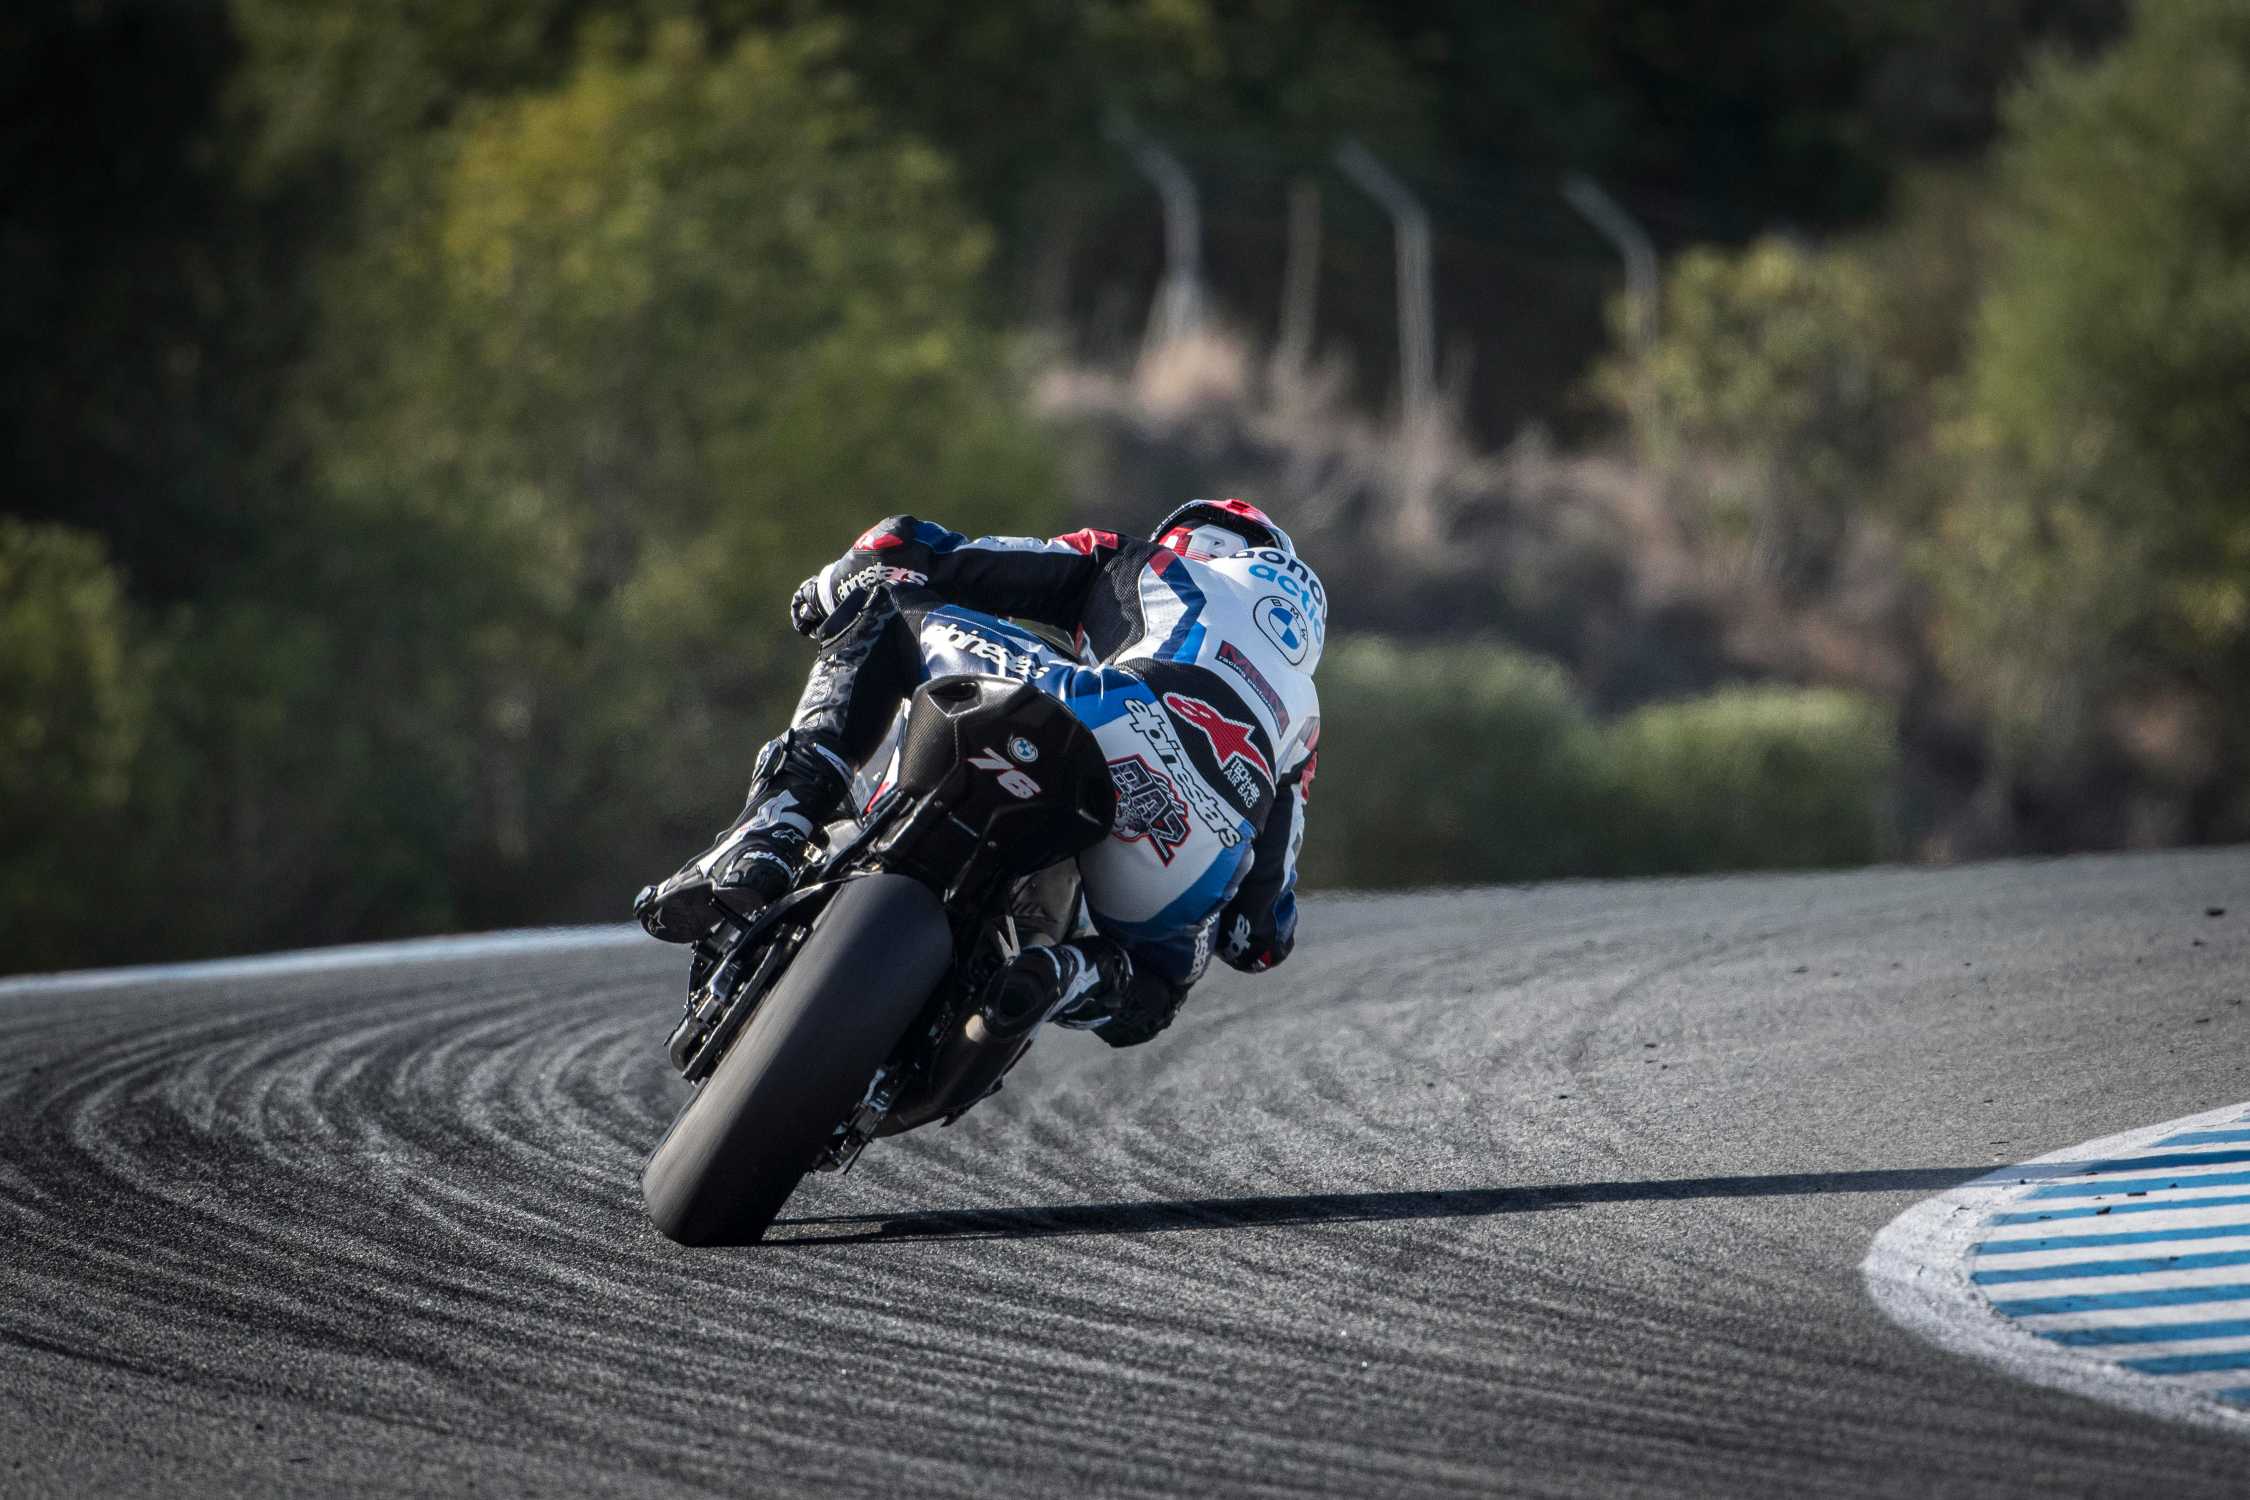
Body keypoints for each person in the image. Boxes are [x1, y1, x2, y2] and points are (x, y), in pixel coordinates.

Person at [635, 498, 1322, 1049]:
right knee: (1162, 978)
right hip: (1187, 841)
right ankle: (1074, 975)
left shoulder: (1149, 564)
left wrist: (833, 584)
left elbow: (919, 550)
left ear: (1197, 542)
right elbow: (1261, 938)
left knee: (887, 613)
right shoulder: (1302, 716)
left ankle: (770, 832)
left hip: (1098, 709)